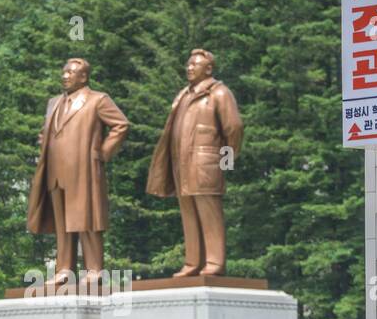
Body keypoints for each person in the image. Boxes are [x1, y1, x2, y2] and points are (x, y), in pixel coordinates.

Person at [25, 57, 129, 288]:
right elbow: (47, 131)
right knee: (62, 222)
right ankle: (64, 269)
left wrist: (102, 153)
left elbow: (121, 125)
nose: (65, 76)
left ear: (83, 77)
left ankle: (94, 269)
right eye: (63, 72)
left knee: (86, 219)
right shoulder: (53, 103)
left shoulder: (97, 100)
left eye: (70, 72)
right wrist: (45, 144)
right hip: (56, 170)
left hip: (84, 169)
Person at [146, 48, 244, 277]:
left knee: (209, 214)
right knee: (188, 214)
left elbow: (234, 128)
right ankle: (192, 262)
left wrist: (227, 162)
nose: (189, 68)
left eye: (195, 65)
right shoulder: (184, 95)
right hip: (182, 163)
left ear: (208, 69)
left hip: (207, 162)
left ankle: (214, 262)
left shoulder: (219, 93)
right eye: (188, 64)